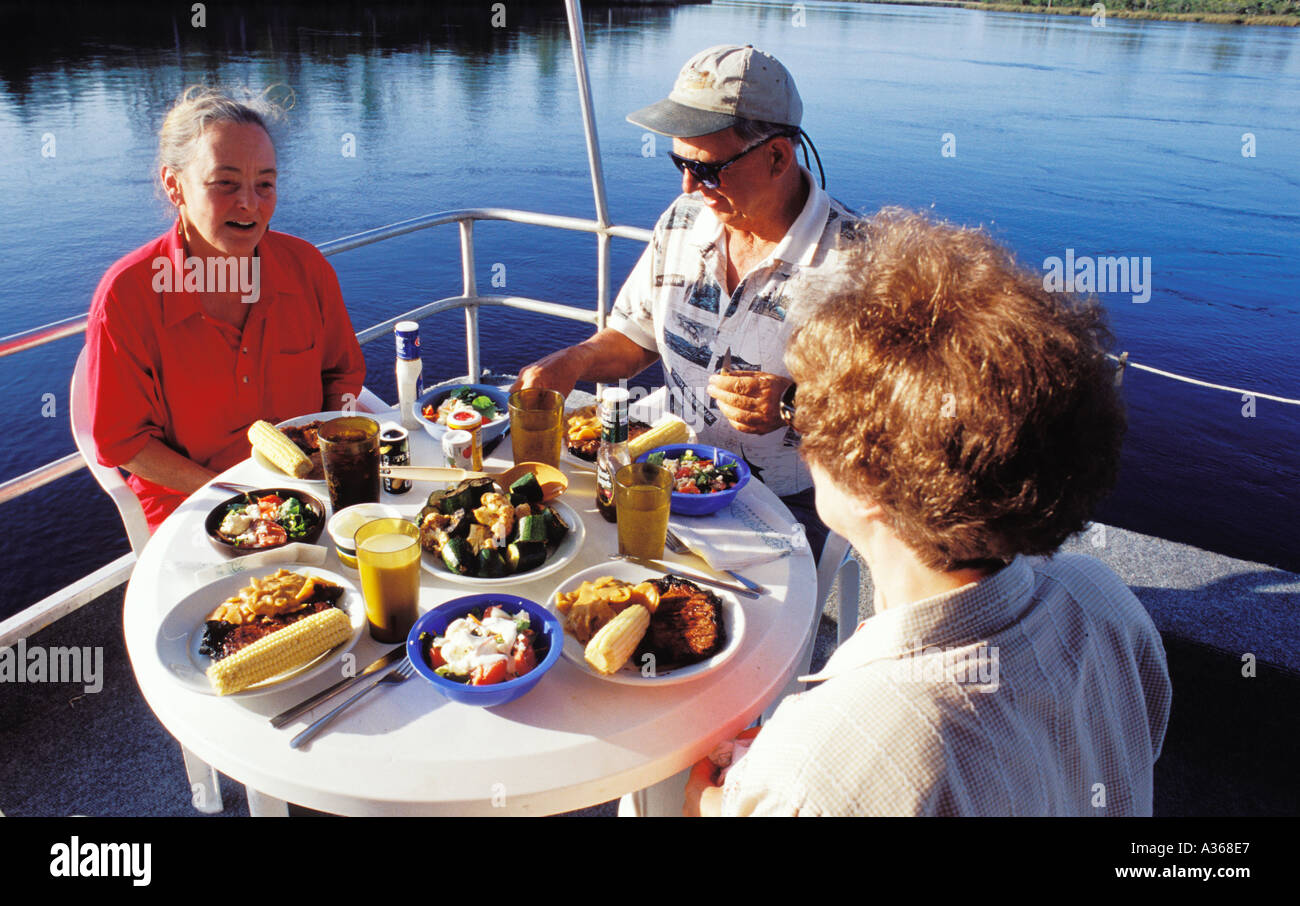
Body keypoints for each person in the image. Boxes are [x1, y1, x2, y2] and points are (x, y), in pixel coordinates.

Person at [683, 208, 1173, 817]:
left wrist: (713, 804)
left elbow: (839, 776)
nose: (798, 428)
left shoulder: (816, 773)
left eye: (805, 409)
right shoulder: (1105, 603)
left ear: (867, 481)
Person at [513, 44, 861, 557]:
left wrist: (794, 404)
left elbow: (902, 424)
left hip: (797, 504)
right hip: (672, 472)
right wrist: (577, 358)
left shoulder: (860, 265)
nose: (689, 185)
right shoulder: (681, 220)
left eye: (707, 169)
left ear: (777, 156)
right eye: (680, 162)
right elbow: (636, 335)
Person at [86, 87, 366, 530]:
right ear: (174, 186)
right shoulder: (129, 295)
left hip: (311, 489)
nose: (250, 204)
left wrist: (333, 451)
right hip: (194, 508)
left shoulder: (306, 269)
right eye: (226, 183)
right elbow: (124, 442)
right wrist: (237, 496)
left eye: (265, 184)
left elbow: (342, 375)